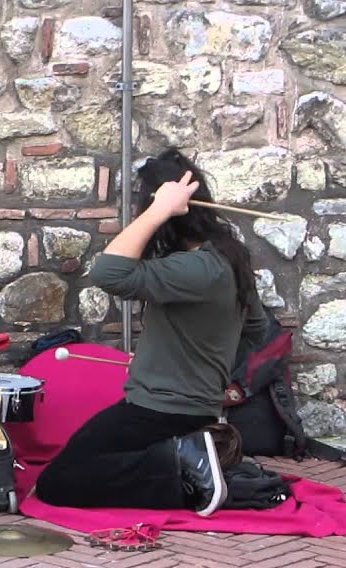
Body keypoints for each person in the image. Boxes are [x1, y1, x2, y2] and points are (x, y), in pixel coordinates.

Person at [35, 149, 269, 516]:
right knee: (84, 459)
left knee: (57, 483)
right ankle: (189, 453)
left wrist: (157, 209)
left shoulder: (196, 268)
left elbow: (108, 273)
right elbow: (255, 328)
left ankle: (186, 460)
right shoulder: (226, 256)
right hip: (175, 404)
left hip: (165, 409)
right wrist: (191, 365)